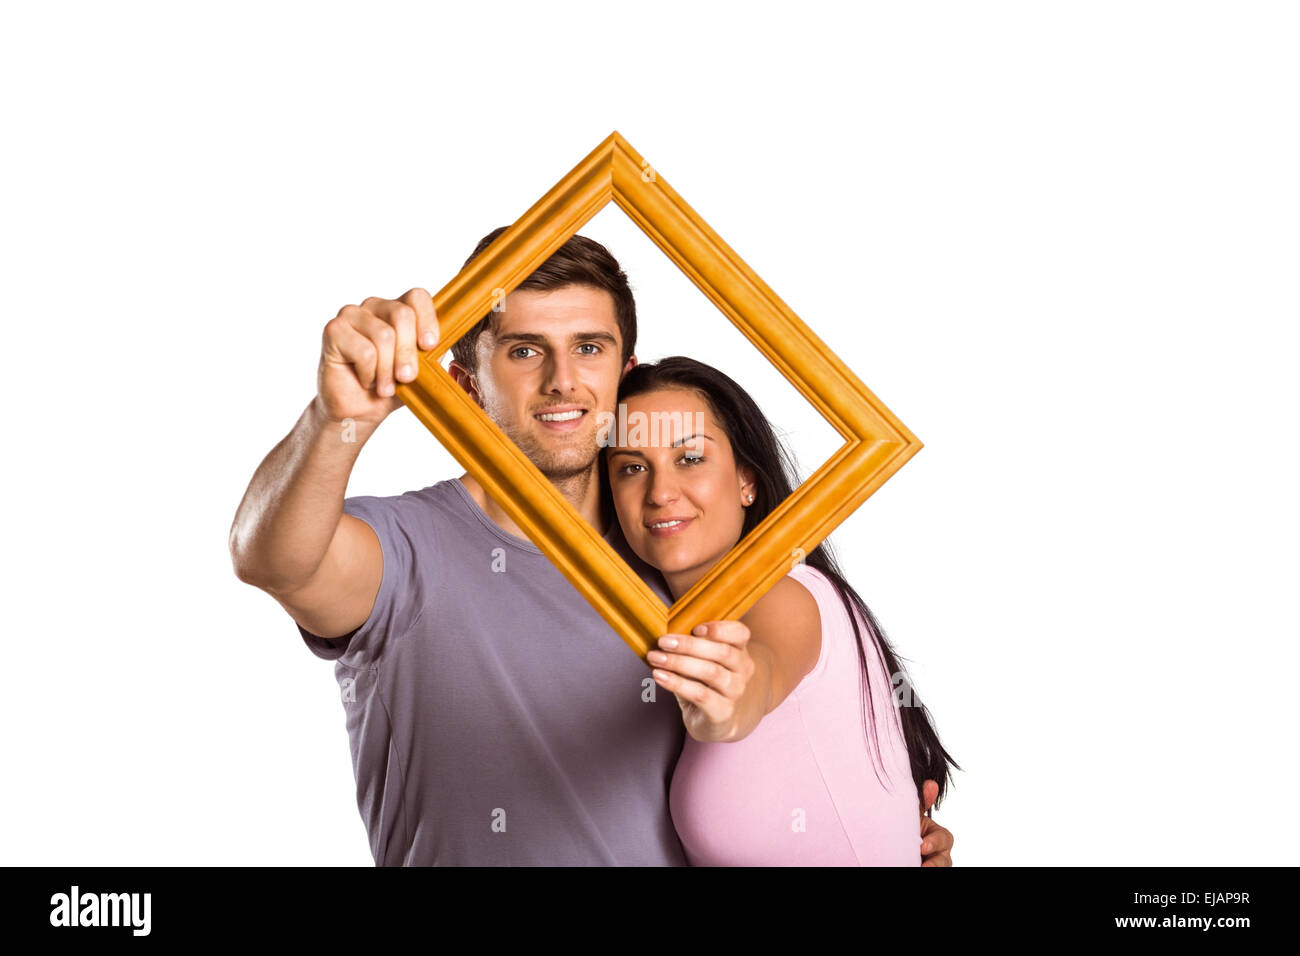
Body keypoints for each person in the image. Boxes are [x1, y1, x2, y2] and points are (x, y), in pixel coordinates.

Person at [229, 227, 956, 865]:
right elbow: (272, 558)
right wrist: (335, 420)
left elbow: (778, 722)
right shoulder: (405, 549)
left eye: (589, 347)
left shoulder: (675, 549)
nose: (563, 381)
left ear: (625, 373)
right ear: (465, 382)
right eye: (523, 351)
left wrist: (884, 833)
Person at [604, 356, 960, 865]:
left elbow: (757, 675)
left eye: (690, 459)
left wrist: (726, 704)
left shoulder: (784, 594)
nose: (660, 493)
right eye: (633, 468)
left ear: (747, 480)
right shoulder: (660, 619)